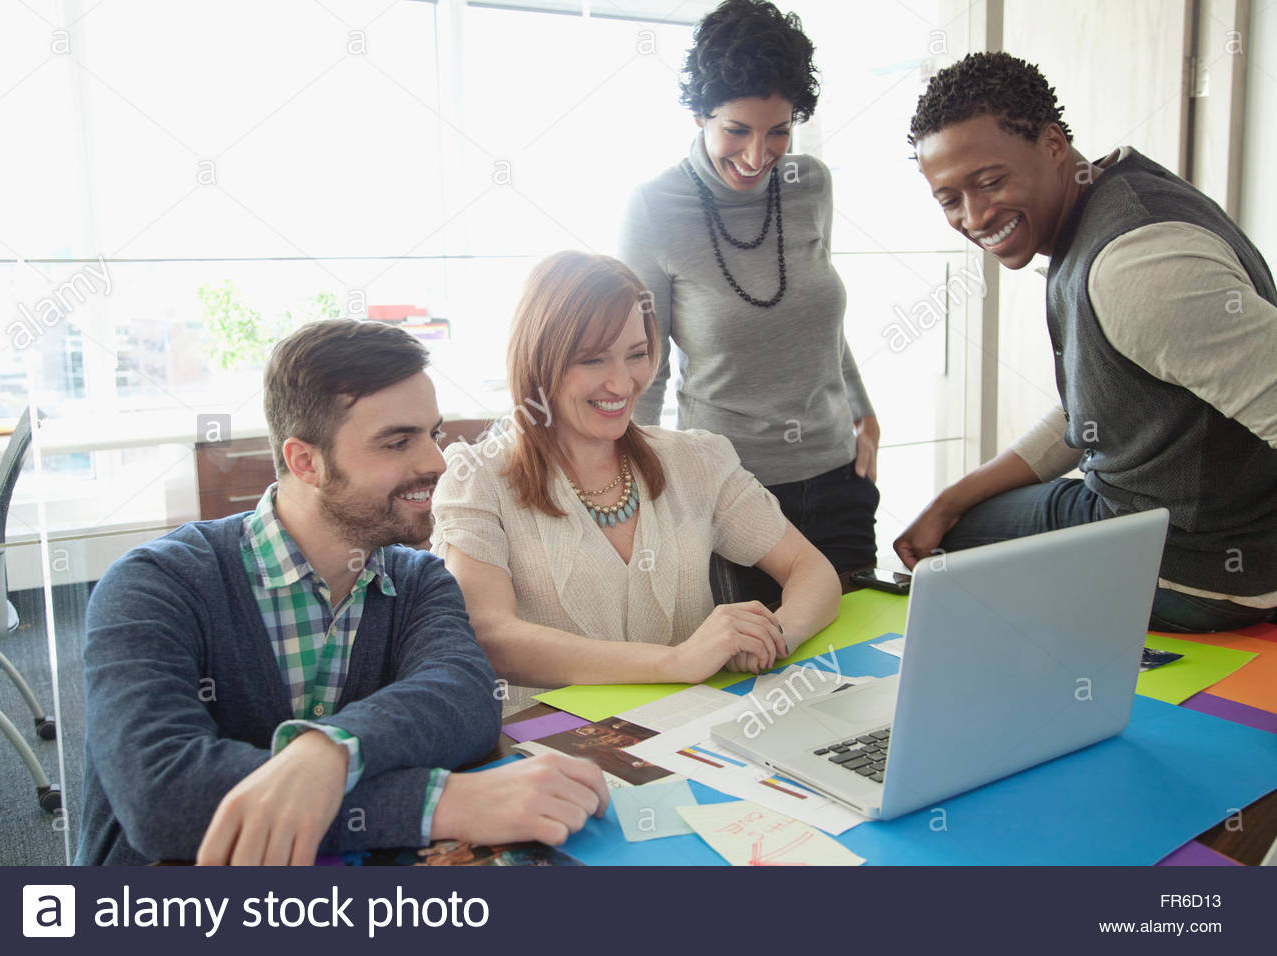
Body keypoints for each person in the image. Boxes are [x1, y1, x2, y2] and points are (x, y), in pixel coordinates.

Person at [76, 319, 608, 865]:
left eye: (433, 434)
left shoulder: (418, 580)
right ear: (306, 461)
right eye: (398, 442)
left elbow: (465, 700)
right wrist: (436, 804)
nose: (436, 462)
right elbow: (165, 801)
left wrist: (326, 754)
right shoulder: (154, 585)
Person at [895, 52, 1277, 632]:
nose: (974, 216)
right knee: (957, 521)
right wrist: (951, 498)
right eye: (950, 199)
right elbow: (1093, 405)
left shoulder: (1135, 266)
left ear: (1052, 146)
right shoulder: (1115, 194)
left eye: (990, 182)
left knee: (954, 552)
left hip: (1201, 569)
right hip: (1169, 527)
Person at [431, 251, 841, 713]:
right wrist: (676, 662)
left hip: (692, 739)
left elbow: (812, 570)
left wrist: (773, 635)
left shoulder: (696, 459)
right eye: (592, 360)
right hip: (547, 758)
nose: (622, 383)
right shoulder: (476, 479)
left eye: (637, 354)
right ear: (539, 358)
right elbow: (491, 637)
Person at [618, 0, 881, 606]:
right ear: (698, 114)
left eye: (778, 132)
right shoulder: (655, 207)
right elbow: (641, 358)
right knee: (751, 673)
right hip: (729, 490)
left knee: (855, 668)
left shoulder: (810, 184)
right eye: (737, 130)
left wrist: (864, 413)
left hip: (839, 479)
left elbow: (815, 319)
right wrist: (635, 481)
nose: (758, 155)